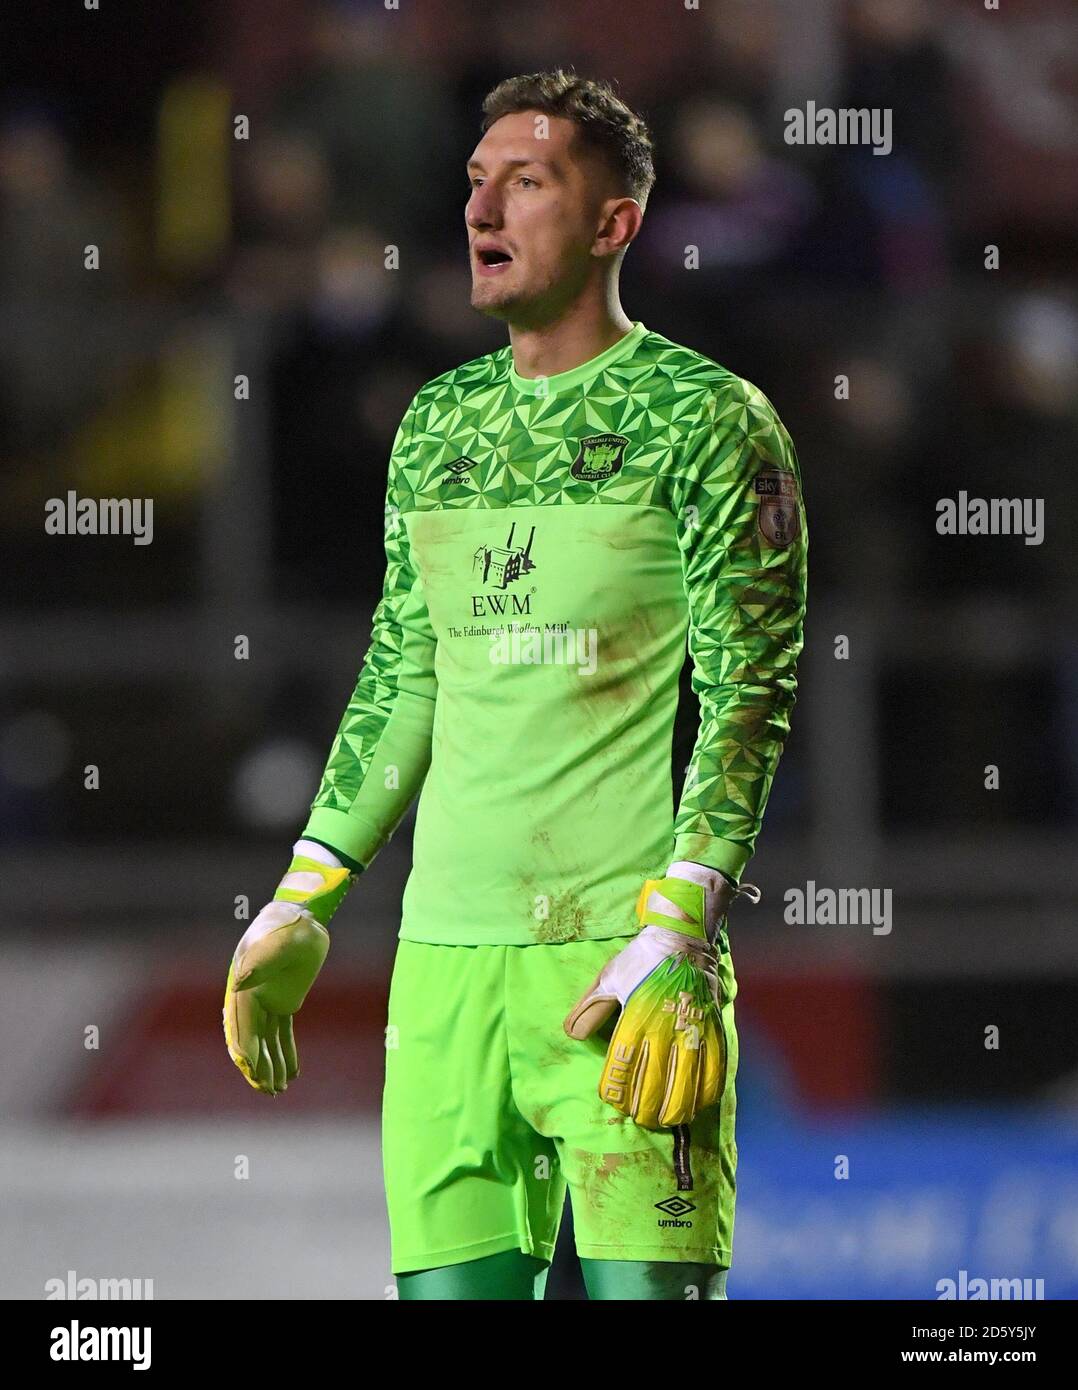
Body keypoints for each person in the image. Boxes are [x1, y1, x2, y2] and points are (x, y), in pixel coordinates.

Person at [224, 68, 807, 1301]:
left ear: (613, 223)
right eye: (476, 182)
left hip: (620, 966)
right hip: (442, 973)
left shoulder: (709, 418)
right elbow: (406, 670)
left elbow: (751, 688)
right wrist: (304, 891)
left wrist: (682, 919)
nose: (481, 210)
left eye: (526, 183)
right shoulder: (437, 424)